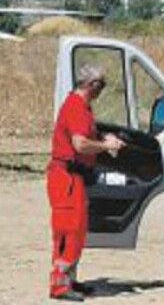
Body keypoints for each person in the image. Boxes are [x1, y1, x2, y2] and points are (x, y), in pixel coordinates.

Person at [47, 64, 126, 301]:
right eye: (101, 84)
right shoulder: (76, 107)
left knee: (78, 230)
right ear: (91, 85)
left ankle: (69, 279)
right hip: (66, 177)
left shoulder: (82, 107)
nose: (103, 89)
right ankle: (59, 286)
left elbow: (88, 135)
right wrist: (106, 146)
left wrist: (103, 137)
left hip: (75, 177)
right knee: (67, 230)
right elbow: (80, 144)